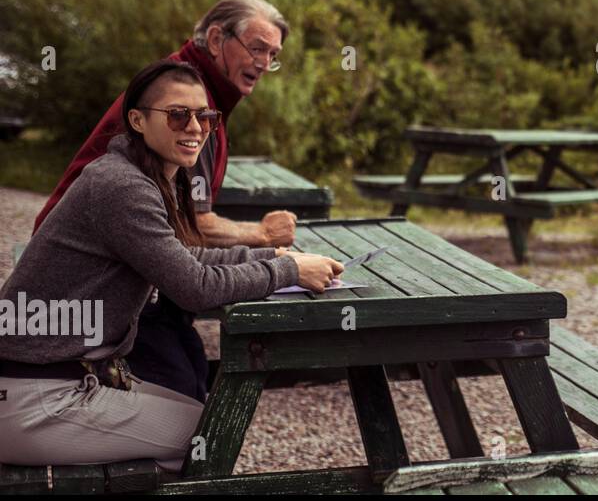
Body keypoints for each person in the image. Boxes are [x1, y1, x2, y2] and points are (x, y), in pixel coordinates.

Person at [0, 60, 342, 470]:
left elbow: (183, 259)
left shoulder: (140, 175)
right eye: (178, 115)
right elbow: (193, 286)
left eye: (205, 116)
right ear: (138, 120)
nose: (195, 127)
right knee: (211, 437)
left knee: (208, 420)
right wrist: (288, 273)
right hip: (36, 397)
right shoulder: (121, 186)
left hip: (63, 382)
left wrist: (273, 255)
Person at [31, 0, 298, 402]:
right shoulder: (189, 97)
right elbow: (194, 237)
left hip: (122, 268)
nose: (264, 62)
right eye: (256, 47)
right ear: (215, 38)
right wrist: (263, 239)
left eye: (273, 54)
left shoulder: (190, 93)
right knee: (190, 404)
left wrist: (274, 261)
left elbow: (184, 242)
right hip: (93, 283)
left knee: (193, 375)